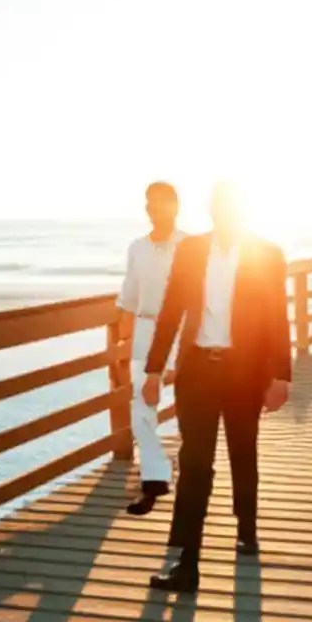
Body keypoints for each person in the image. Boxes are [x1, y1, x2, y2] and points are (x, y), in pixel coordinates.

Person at [145, 183, 292, 593]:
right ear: (212, 210)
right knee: (194, 464)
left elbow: (279, 317)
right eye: (220, 207)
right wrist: (155, 369)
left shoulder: (267, 254)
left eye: (234, 207)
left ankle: (246, 525)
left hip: (245, 373)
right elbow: (171, 310)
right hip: (198, 372)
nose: (226, 213)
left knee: (243, 451)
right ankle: (186, 563)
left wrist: (282, 374)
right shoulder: (191, 250)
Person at [116, 181, 187, 516]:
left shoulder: (190, 247)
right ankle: (154, 480)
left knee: (188, 406)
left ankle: (192, 471)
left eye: (161, 202)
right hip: (145, 330)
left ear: (175, 206)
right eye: (149, 202)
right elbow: (128, 299)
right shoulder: (137, 248)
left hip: (183, 331)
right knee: (141, 410)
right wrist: (123, 344)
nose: (154, 208)